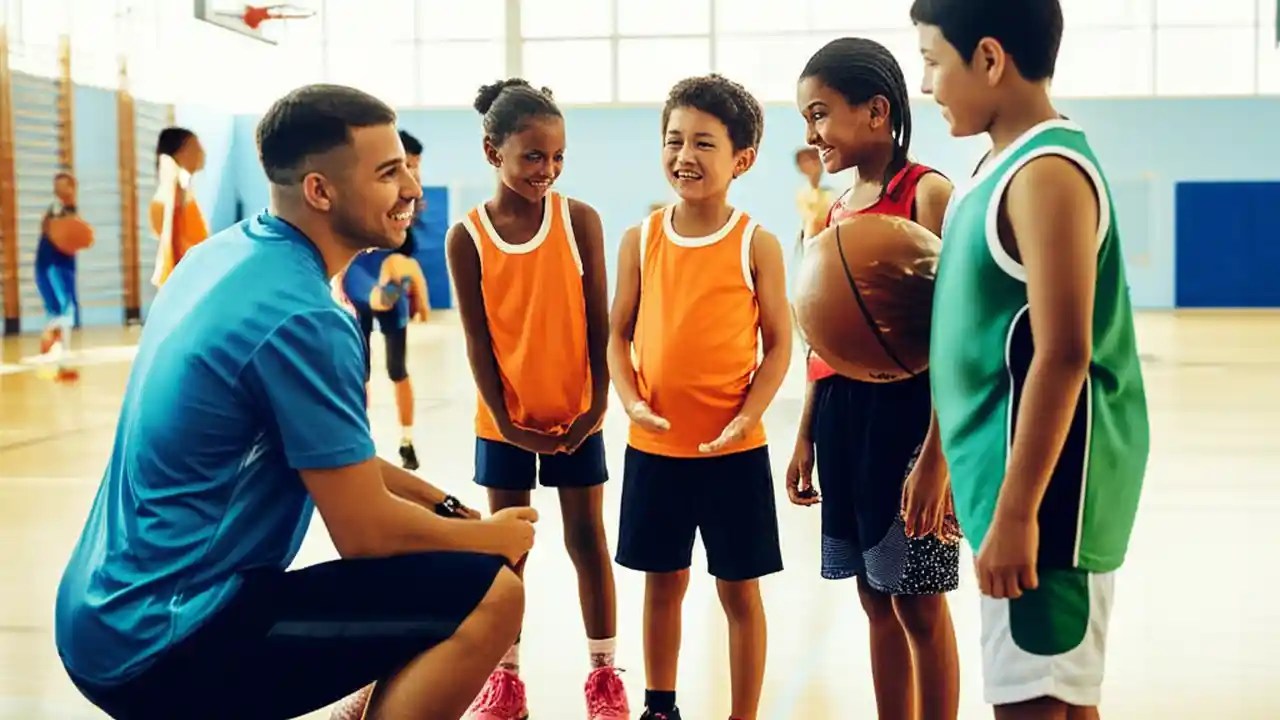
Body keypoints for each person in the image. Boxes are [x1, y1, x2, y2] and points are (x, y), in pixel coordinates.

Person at [53, 83, 538, 720]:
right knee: (492, 594)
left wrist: (441, 505)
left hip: (100, 617)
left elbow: (326, 454)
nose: (412, 190)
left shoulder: (222, 255)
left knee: (437, 569)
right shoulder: (305, 318)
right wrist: (489, 537)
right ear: (320, 190)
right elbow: (366, 535)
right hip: (165, 643)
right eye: (388, 173)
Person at [909, 1, 1150, 718]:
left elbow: (1064, 351)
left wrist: (1018, 513)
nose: (926, 84)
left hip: (1050, 500)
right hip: (1010, 485)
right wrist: (938, 457)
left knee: (1034, 702)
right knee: (1056, 699)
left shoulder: (1046, 174)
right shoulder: (993, 169)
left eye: (932, 62)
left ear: (989, 58)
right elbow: (971, 340)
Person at [609, 73, 792, 720]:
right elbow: (617, 335)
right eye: (674, 139)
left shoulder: (756, 243)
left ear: (743, 159)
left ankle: (743, 714)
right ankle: (660, 707)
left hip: (733, 454)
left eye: (704, 143)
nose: (684, 155)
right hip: (655, 449)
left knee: (739, 593)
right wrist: (630, 401)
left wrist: (749, 416)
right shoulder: (640, 239)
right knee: (663, 584)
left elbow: (780, 346)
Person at [789, 37, 962, 720]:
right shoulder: (834, 213)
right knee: (873, 597)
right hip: (843, 416)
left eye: (820, 113)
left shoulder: (928, 194)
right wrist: (805, 433)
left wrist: (939, 459)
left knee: (920, 602)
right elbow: (822, 341)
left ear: (877, 111)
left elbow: (958, 335)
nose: (812, 133)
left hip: (910, 419)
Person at [446, 78, 629, 720]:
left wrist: (596, 406)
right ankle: (506, 681)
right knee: (509, 550)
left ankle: (604, 677)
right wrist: (506, 423)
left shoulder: (579, 221)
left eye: (557, 157)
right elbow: (477, 341)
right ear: (492, 151)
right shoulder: (467, 236)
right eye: (532, 156)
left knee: (587, 541)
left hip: (577, 415)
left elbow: (600, 324)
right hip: (503, 422)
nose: (546, 170)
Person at [330, 129, 432, 470]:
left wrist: (409, 279)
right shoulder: (364, 195)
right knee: (360, 371)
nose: (414, 175)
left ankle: (407, 440)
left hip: (388, 277)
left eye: (416, 166)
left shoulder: (410, 201)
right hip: (362, 279)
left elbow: (405, 251)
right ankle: (360, 439)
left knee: (397, 367)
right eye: (407, 165)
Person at [35, 172, 91, 382]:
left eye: (62, 185)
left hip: (57, 265)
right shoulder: (58, 210)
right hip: (52, 265)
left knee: (60, 311)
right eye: (56, 185)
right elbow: (54, 233)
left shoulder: (66, 211)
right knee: (62, 311)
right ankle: (56, 358)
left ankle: (56, 362)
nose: (57, 188)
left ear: (72, 188)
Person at [148, 126, 209, 287]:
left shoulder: (180, 188)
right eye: (196, 147)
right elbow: (174, 241)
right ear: (180, 153)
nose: (202, 153)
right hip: (185, 280)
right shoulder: (176, 190)